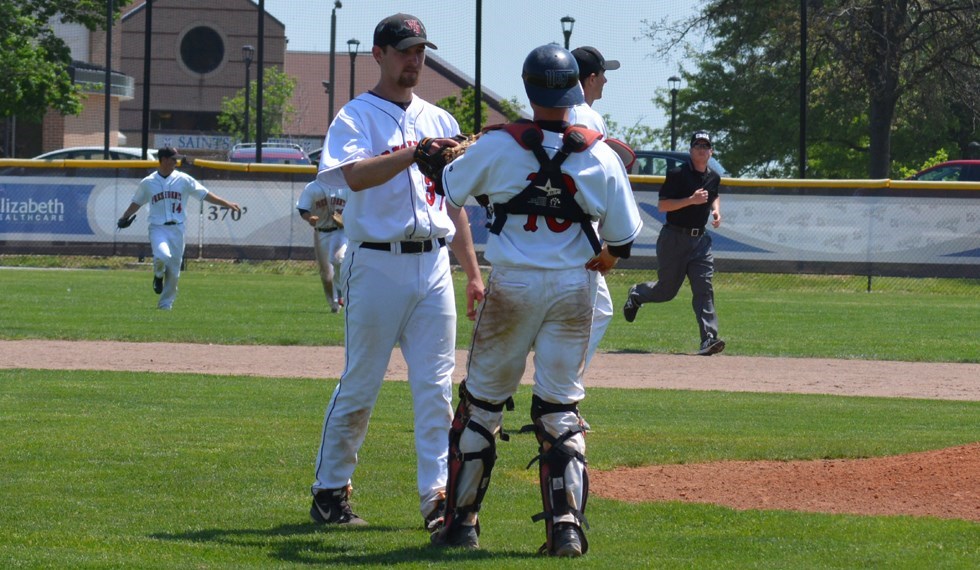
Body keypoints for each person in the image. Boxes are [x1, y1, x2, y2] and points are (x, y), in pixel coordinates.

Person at [430, 44, 642, 557]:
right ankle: (566, 528)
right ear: (575, 90)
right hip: (574, 286)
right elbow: (624, 241)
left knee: (480, 406)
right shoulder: (599, 153)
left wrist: (441, 158)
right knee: (560, 409)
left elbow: (450, 187)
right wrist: (608, 260)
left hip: (515, 283)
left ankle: (461, 525)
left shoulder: (498, 145)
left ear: (528, 89)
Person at [309, 13, 485, 531]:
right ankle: (329, 492)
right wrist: (413, 153)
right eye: (405, 49)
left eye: (420, 50)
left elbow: (455, 205)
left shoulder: (440, 120)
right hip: (376, 263)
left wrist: (472, 273)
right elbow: (354, 178)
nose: (415, 59)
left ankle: (437, 500)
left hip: (434, 264)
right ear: (379, 54)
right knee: (361, 385)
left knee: (436, 387)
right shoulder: (355, 116)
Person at [622, 131, 725, 356]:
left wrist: (716, 211)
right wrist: (690, 200)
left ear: (711, 151)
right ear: (691, 150)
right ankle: (637, 294)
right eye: (697, 144)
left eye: (705, 145)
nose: (701, 148)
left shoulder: (713, 177)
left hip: (701, 241)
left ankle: (708, 338)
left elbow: (714, 194)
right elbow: (663, 206)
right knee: (666, 291)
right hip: (674, 238)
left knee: (704, 288)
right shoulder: (677, 174)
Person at [117, 146, 241, 310]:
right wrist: (124, 217)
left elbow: (205, 194)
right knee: (162, 255)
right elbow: (137, 202)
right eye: (173, 159)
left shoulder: (183, 179)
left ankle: (165, 306)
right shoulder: (148, 182)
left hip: (178, 229)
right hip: (158, 228)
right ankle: (158, 275)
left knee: (174, 272)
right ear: (164, 160)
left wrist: (226, 203)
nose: (176, 161)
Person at [568, 45, 620, 370]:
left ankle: (556, 395)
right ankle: (558, 398)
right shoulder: (589, 117)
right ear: (589, 78)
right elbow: (603, 182)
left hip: (541, 231)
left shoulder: (547, 111)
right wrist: (609, 241)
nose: (605, 81)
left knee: (596, 311)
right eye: (602, 74)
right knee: (587, 315)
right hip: (577, 234)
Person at [296, 178, 349, 312]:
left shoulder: (346, 185)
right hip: (321, 232)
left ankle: (341, 293)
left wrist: (345, 220)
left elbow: (357, 207)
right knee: (326, 275)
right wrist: (309, 218)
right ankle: (334, 304)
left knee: (339, 259)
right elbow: (303, 208)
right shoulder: (312, 187)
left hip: (340, 231)